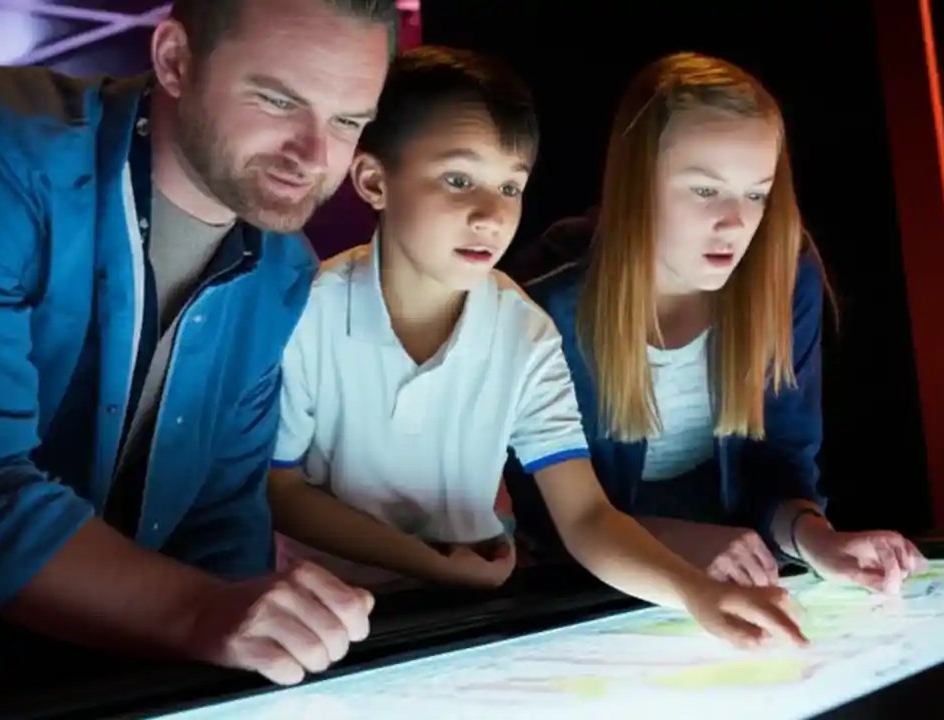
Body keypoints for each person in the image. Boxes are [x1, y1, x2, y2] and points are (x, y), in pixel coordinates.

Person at [267, 46, 808, 650]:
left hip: (476, 616)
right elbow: (280, 490)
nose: (490, 214)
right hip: (322, 620)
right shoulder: (307, 314)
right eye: (457, 179)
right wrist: (429, 559)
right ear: (373, 180)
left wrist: (694, 593)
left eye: (510, 185)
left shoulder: (523, 332)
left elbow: (585, 514)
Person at [0, 0, 395, 687]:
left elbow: (221, 513)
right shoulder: (11, 151)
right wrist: (200, 614)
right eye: (277, 100)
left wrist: (263, 648)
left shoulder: (283, 269)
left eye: (348, 121)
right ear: (175, 59)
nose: (316, 156)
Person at [506, 52, 927, 593]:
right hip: (583, 583)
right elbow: (535, 505)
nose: (736, 221)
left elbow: (777, 462)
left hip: (735, 565)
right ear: (636, 181)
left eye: (756, 193)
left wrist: (817, 541)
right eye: (706, 190)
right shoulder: (544, 297)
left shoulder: (784, 274)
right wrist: (672, 539)